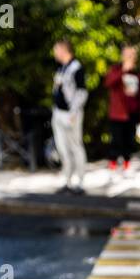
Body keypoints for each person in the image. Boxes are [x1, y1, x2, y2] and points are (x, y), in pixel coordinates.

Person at [51, 39, 87, 193]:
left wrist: (73, 112)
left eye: (56, 49)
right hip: (58, 113)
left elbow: (82, 92)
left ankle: (80, 181)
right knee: (62, 148)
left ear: (64, 50)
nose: (54, 53)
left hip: (71, 114)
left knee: (75, 146)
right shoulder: (61, 68)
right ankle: (67, 179)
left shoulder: (76, 67)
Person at [104, 45, 140, 171]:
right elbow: (108, 83)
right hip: (117, 113)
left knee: (129, 139)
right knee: (116, 139)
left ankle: (127, 163)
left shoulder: (137, 74)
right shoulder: (115, 69)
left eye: (131, 55)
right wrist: (123, 70)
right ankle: (113, 163)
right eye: (126, 54)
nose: (129, 57)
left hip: (132, 112)